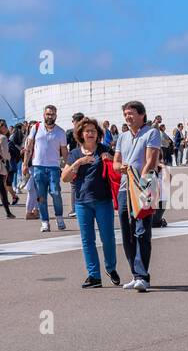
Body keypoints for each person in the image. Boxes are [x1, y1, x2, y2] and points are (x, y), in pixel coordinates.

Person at [61, 116, 120, 288]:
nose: (90, 134)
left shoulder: (104, 149)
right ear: (81, 134)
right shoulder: (74, 154)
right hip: (82, 202)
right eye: (87, 131)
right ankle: (94, 276)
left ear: (98, 133)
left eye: (93, 131)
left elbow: (117, 168)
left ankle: (111, 267)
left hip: (103, 200)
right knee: (87, 240)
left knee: (108, 237)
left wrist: (109, 158)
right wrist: (79, 162)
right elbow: (64, 178)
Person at [112, 100, 160, 292]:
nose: (127, 117)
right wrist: (120, 168)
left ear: (142, 114)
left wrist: (140, 183)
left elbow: (151, 160)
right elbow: (116, 164)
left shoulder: (152, 133)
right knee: (127, 233)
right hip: (124, 188)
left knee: (142, 231)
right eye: (125, 114)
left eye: (131, 113)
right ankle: (134, 273)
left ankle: (143, 276)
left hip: (145, 185)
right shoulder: (122, 137)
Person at [24, 105, 67, 232]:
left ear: (56, 116)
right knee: (41, 196)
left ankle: (59, 217)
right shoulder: (36, 127)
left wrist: (68, 166)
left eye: (52, 114)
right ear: (44, 115)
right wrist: (25, 164)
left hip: (54, 168)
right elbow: (29, 146)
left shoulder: (60, 132)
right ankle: (45, 222)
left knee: (55, 193)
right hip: (38, 167)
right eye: (48, 114)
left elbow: (64, 151)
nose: (50, 116)